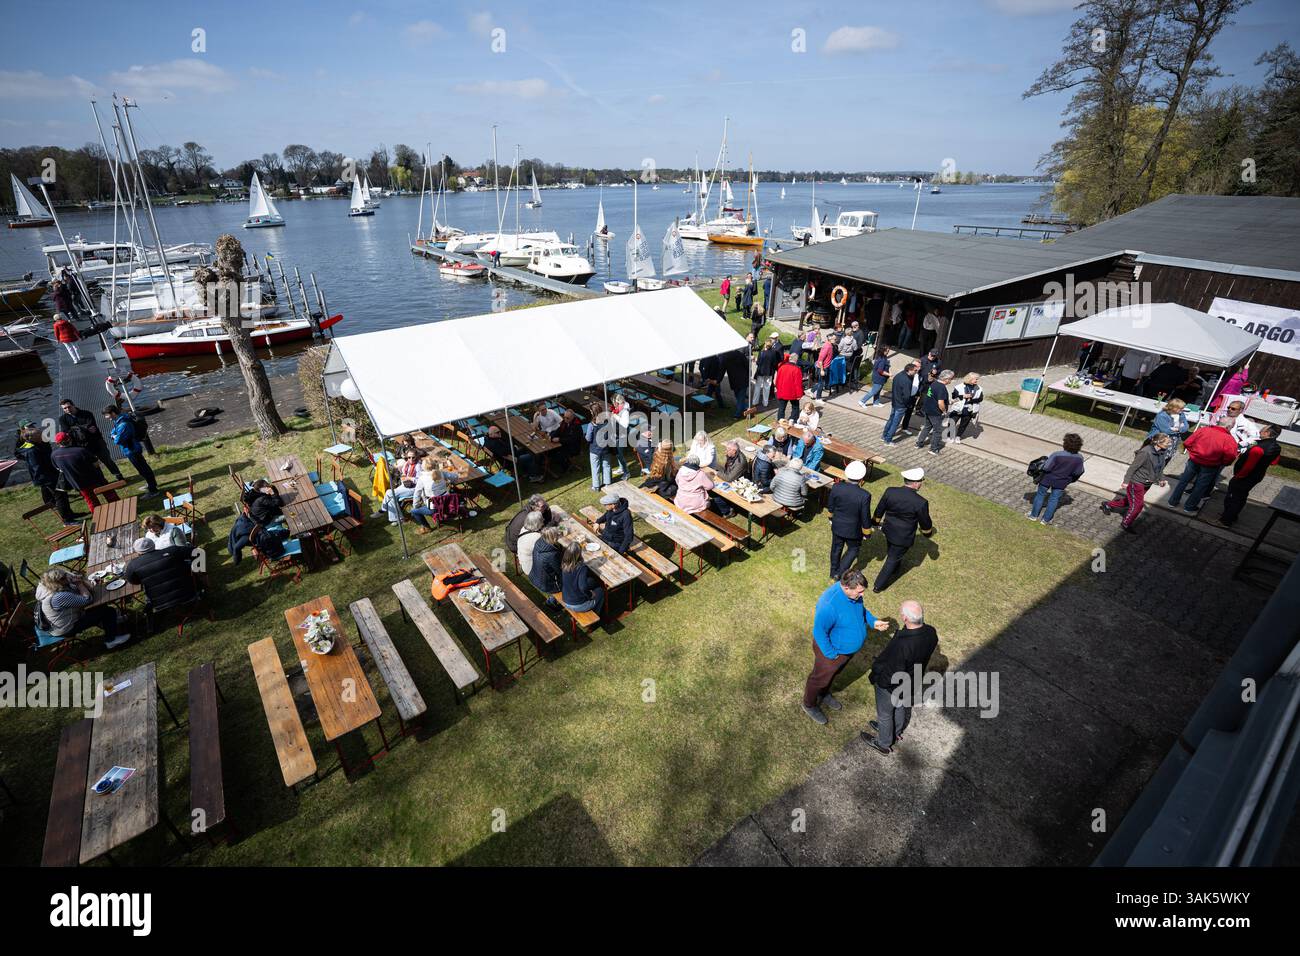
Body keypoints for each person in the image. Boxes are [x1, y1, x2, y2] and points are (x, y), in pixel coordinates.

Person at [800, 569, 891, 725]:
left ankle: (823, 693)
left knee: (833, 675)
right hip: (832, 652)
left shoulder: (853, 595)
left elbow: (861, 610)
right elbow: (819, 631)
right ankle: (809, 704)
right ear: (847, 587)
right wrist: (830, 654)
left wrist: (873, 621)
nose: (862, 595)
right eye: (860, 592)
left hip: (845, 652)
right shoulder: (829, 604)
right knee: (818, 679)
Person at [862, 600, 939, 755]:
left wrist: (880, 683)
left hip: (892, 685)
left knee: (885, 714)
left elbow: (891, 672)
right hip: (912, 681)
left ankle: (884, 743)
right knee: (900, 707)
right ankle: (894, 732)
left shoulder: (904, 645)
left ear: (905, 618)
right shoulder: (931, 632)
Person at [36, 568, 132, 650]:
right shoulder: (59, 596)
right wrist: (79, 584)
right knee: (107, 611)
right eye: (63, 578)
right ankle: (111, 640)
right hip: (66, 628)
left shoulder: (55, 588)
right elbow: (87, 599)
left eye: (65, 574)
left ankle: (112, 623)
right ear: (56, 582)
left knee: (101, 607)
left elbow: (90, 590)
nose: (67, 577)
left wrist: (80, 582)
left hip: (61, 623)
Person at [872, 468, 934, 592]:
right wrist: (928, 533)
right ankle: (878, 586)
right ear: (915, 483)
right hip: (903, 537)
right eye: (921, 481)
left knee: (892, 552)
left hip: (888, 530)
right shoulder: (920, 502)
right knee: (892, 559)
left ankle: (895, 567)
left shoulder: (890, 491)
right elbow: (925, 523)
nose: (921, 483)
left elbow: (880, 509)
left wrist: (875, 522)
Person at [1102, 434, 1173, 532]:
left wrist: (1161, 479)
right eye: (1167, 443)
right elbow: (1133, 467)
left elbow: (1160, 468)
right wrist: (1126, 481)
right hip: (1137, 482)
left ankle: (1108, 505)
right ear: (1158, 442)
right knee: (1138, 505)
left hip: (1147, 483)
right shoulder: (1145, 452)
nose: (1169, 444)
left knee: (1130, 500)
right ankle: (1126, 523)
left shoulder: (1162, 452)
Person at [1167, 420, 1238, 515]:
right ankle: (1189, 506)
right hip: (1211, 465)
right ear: (1229, 427)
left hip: (1194, 460)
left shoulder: (1203, 430)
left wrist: (1194, 452)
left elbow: (1188, 442)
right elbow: (1230, 457)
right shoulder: (1229, 439)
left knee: (1183, 481)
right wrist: (1221, 462)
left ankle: (1172, 501)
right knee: (1200, 486)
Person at [1218, 424, 1281, 527]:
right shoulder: (1276, 447)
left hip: (1245, 477)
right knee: (1242, 497)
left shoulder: (1259, 448)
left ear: (1267, 433)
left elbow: (1248, 467)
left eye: (1262, 430)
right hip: (1257, 476)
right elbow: (1274, 462)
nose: (1260, 431)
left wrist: (1238, 476)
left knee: (1233, 498)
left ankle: (1225, 520)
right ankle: (1232, 516)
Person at [15, 424, 77, 524]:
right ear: (31, 438)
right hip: (47, 477)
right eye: (38, 434)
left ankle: (70, 514)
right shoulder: (31, 450)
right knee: (59, 496)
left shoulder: (38, 444)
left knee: (63, 494)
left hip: (52, 473)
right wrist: (48, 478)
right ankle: (68, 520)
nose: (41, 435)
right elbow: (37, 467)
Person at [125, 537, 199, 617]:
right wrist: (199, 570)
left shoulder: (133, 565)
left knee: (147, 586)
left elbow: (134, 582)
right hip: (189, 594)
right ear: (153, 545)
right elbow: (198, 552)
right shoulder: (173, 550)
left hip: (160, 606)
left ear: (138, 552)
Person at [826, 460, 874, 581]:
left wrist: (831, 518)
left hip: (837, 525)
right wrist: (867, 533)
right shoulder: (864, 495)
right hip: (853, 529)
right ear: (861, 478)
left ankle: (833, 571)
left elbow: (830, 506)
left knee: (836, 548)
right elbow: (865, 516)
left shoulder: (836, 487)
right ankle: (839, 573)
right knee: (853, 549)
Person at [59, 398, 124, 481]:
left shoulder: (87, 414)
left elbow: (92, 427)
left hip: (96, 441)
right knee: (92, 464)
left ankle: (118, 475)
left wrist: (75, 429)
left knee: (107, 460)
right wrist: (83, 428)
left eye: (69, 407)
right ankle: (102, 480)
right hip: (82, 446)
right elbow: (67, 431)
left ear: (73, 405)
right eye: (65, 408)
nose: (68, 409)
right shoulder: (63, 419)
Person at [1028, 433, 1085, 524]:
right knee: (1054, 499)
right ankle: (1046, 520)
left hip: (1047, 479)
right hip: (1062, 481)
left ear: (1065, 444)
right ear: (1079, 445)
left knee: (1040, 495)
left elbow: (1046, 467)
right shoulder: (1079, 458)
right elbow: (1078, 472)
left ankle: (1033, 516)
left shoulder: (1057, 454)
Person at [104, 404, 158, 494]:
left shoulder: (123, 424)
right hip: (131, 449)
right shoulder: (119, 421)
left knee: (144, 469)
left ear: (113, 413)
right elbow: (112, 433)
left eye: (107, 415)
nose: (106, 417)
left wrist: (114, 436)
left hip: (132, 449)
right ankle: (150, 484)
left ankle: (153, 490)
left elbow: (117, 440)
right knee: (142, 469)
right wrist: (114, 435)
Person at [51, 431, 106, 512]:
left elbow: (58, 468)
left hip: (78, 483)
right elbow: (96, 464)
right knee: (109, 493)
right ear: (69, 439)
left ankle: (99, 517)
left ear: (57, 443)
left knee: (91, 501)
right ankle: (118, 508)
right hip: (94, 479)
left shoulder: (54, 455)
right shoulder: (80, 451)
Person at [409, 457, 454, 533]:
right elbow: (455, 476)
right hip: (447, 503)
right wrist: (451, 481)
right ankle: (441, 517)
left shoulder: (422, 478)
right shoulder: (441, 473)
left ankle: (426, 528)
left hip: (434, 507)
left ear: (423, 467)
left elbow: (417, 494)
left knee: (414, 511)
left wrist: (415, 505)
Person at [914, 369, 954, 455]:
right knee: (938, 431)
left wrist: (949, 402)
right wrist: (944, 412)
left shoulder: (934, 383)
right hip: (935, 413)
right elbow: (940, 403)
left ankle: (919, 443)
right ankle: (933, 449)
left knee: (927, 427)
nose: (951, 380)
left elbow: (934, 397)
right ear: (946, 379)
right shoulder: (941, 388)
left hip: (927, 409)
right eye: (951, 379)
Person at [560, 540, 604, 615]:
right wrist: (590, 595)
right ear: (578, 554)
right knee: (600, 591)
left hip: (566, 600)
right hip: (579, 605)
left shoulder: (564, 564)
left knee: (591, 581)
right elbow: (583, 587)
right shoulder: (582, 567)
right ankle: (597, 615)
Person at [882, 360, 920, 445]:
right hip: (901, 404)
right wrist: (908, 404)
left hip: (895, 402)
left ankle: (884, 436)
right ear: (909, 370)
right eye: (915, 370)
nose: (916, 372)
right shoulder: (907, 381)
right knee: (895, 423)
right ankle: (888, 440)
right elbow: (906, 396)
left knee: (891, 420)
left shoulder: (898, 375)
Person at [945, 372, 983, 444]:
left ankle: (958, 436)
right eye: (976, 379)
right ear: (970, 379)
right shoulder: (958, 387)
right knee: (952, 422)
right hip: (957, 408)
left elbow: (980, 399)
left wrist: (971, 400)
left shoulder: (979, 388)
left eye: (977, 379)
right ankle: (949, 436)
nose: (977, 381)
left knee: (964, 424)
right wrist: (963, 396)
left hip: (969, 409)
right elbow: (954, 397)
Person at [528, 526, 564, 598]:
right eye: (557, 535)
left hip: (534, 575)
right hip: (546, 585)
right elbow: (561, 571)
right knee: (569, 582)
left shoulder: (538, 542)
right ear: (553, 538)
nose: (558, 536)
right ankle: (551, 601)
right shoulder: (552, 555)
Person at [751, 335, 781, 410]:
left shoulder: (762, 353)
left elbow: (758, 363)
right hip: (769, 372)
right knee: (766, 387)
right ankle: (765, 402)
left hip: (761, 372)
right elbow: (775, 363)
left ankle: (755, 402)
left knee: (758, 387)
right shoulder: (774, 353)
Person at [896, 361, 925, 437]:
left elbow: (920, 385)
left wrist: (917, 394)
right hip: (905, 397)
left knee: (908, 414)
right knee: (899, 414)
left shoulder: (919, 375)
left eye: (919, 366)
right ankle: (893, 430)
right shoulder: (907, 375)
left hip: (913, 397)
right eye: (916, 366)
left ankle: (904, 427)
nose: (918, 368)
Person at [774, 351, 805, 423]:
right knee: (795, 407)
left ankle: (780, 421)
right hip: (792, 393)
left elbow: (777, 380)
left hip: (782, 391)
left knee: (781, 408)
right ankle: (792, 420)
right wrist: (799, 395)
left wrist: (778, 388)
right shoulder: (797, 369)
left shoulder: (782, 367)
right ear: (796, 360)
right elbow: (798, 384)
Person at [813, 331, 836, 400]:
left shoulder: (830, 345)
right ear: (830, 339)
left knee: (821, 382)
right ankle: (818, 398)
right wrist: (822, 370)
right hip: (822, 367)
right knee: (821, 383)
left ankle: (811, 391)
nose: (835, 340)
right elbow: (820, 360)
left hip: (826, 366)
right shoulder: (827, 347)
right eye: (834, 339)